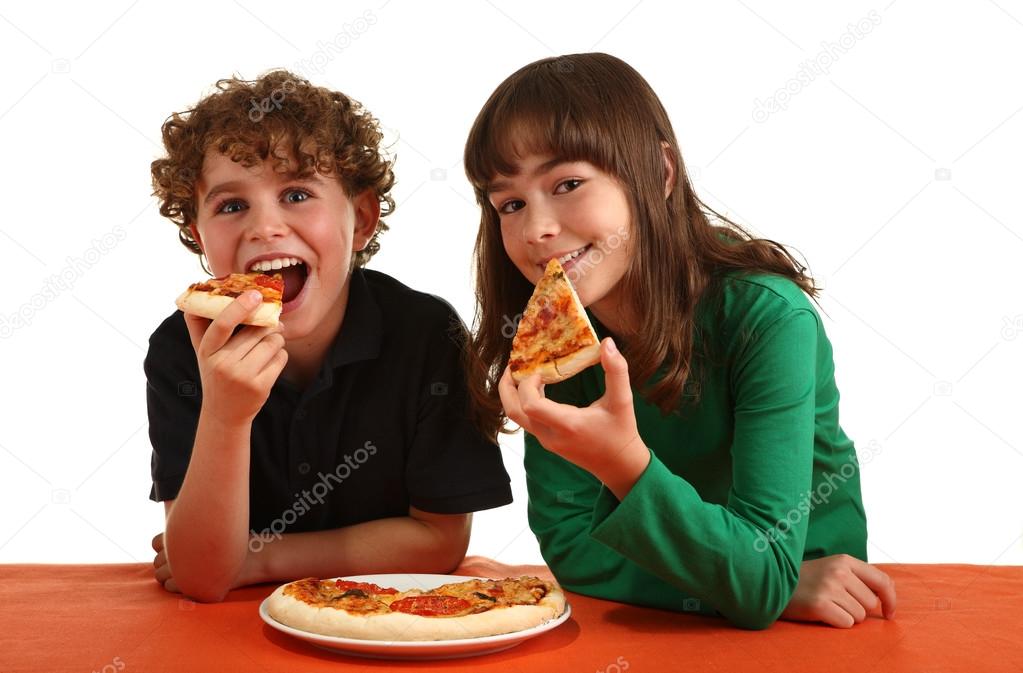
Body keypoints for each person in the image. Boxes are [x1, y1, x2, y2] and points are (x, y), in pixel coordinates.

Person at [461, 53, 896, 630]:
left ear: (661, 172)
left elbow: (763, 572)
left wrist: (623, 464)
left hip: (827, 620)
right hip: (771, 599)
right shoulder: (555, 342)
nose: (537, 229)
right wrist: (760, 585)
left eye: (567, 184)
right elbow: (571, 549)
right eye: (510, 204)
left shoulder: (769, 317)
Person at [146, 70, 512, 602]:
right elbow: (201, 577)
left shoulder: (428, 336)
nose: (264, 227)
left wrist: (260, 557)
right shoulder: (181, 349)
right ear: (199, 236)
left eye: (296, 194)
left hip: (386, 617)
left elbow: (439, 541)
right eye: (231, 206)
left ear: (361, 219)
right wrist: (226, 415)